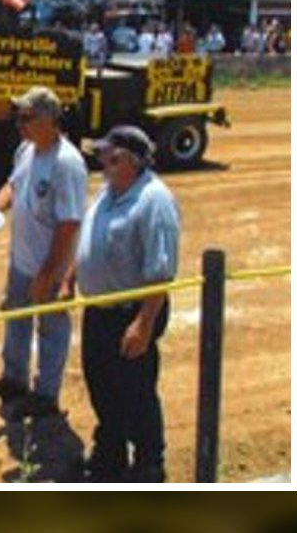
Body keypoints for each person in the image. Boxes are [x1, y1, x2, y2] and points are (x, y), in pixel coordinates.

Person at [71, 125, 180, 483]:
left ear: (133, 161)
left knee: (135, 391)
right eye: (102, 155)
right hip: (99, 312)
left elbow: (161, 271)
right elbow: (92, 238)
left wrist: (144, 324)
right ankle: (111, 453)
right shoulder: (107, 192)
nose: (103, 162)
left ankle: (149, 463)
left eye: (112, 157)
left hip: (132, 313)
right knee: (101, 384)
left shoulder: (154, 201)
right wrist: (72, 276)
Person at [0, 86, 88, 418]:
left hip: (48, 266)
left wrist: (48, 274)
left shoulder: (67, 163)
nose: (20, 124)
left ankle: (46, 396)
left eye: (28, 117)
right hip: (21, 260)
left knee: (51, 329)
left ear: (51, 120)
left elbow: (69, 225)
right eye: (18, 117)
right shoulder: (27, 150)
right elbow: (13, 185)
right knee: (16, 319)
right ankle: (14, 379)